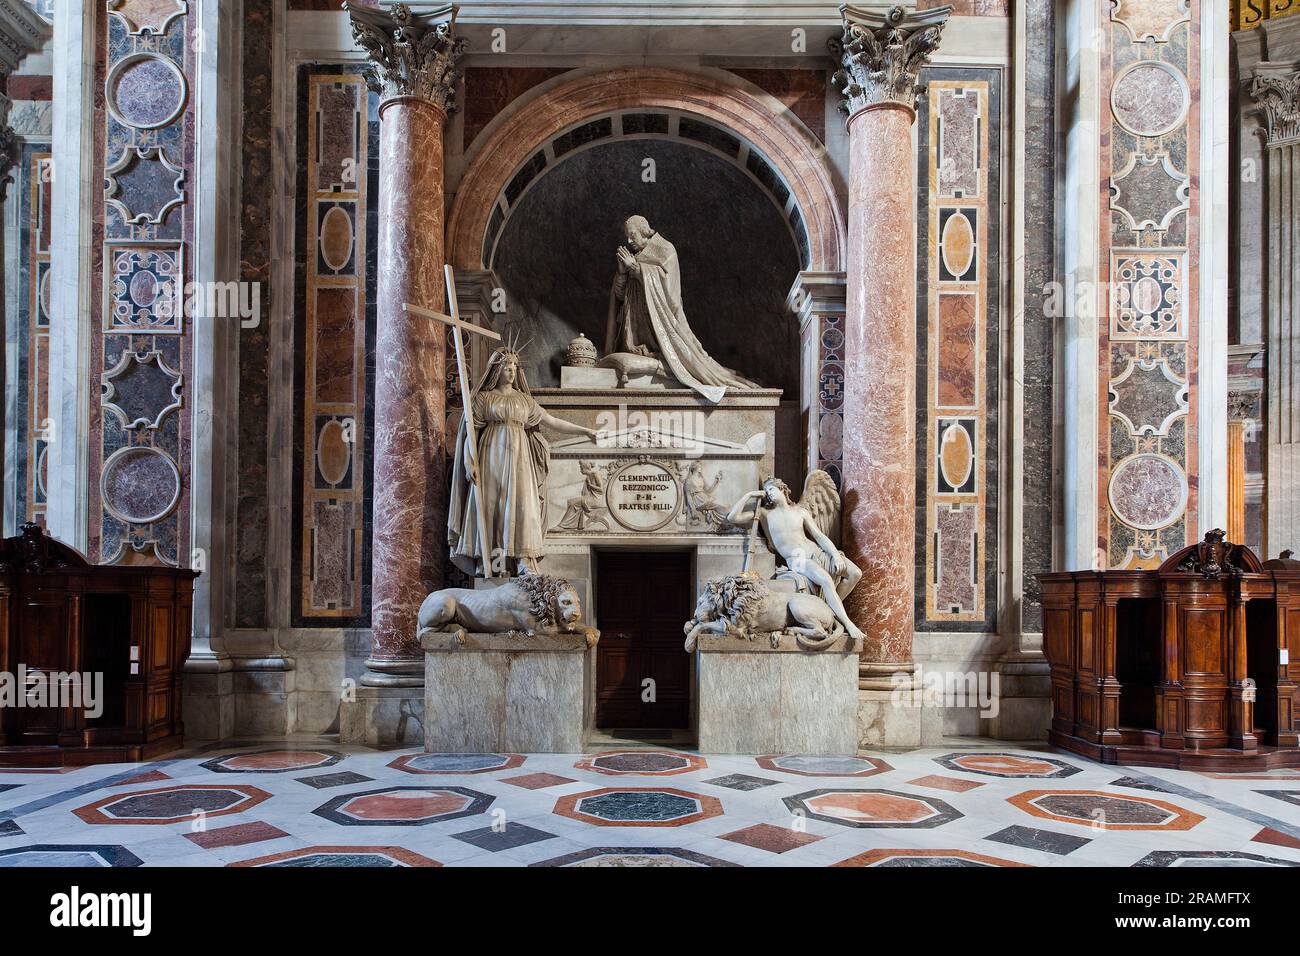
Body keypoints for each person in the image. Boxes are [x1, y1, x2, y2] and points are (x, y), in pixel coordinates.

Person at [448, 348, 598, 577]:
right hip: (491, 456)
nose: (511, 371)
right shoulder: (483, 398)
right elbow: (471, 431)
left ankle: (522, 559)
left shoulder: (524, 401)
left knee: (522, 505)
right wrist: (470, 461)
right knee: (491, 505)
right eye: (507, 367)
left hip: (519, 458)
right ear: (497, 370)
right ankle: (488, 559)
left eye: (514, 367)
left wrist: (585, 430)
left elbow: (551, 420)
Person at [605, 215, 760, 403]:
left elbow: (670, 294)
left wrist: (637, 269)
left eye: (632, 235)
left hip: (664, 329)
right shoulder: (632, 258)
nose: (629, 241)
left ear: (644, 231)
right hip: (636, 334)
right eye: (627, 236)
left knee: (697, 364)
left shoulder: (665, 250)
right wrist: (622, 273)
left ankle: (724, 375)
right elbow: (621, 298)